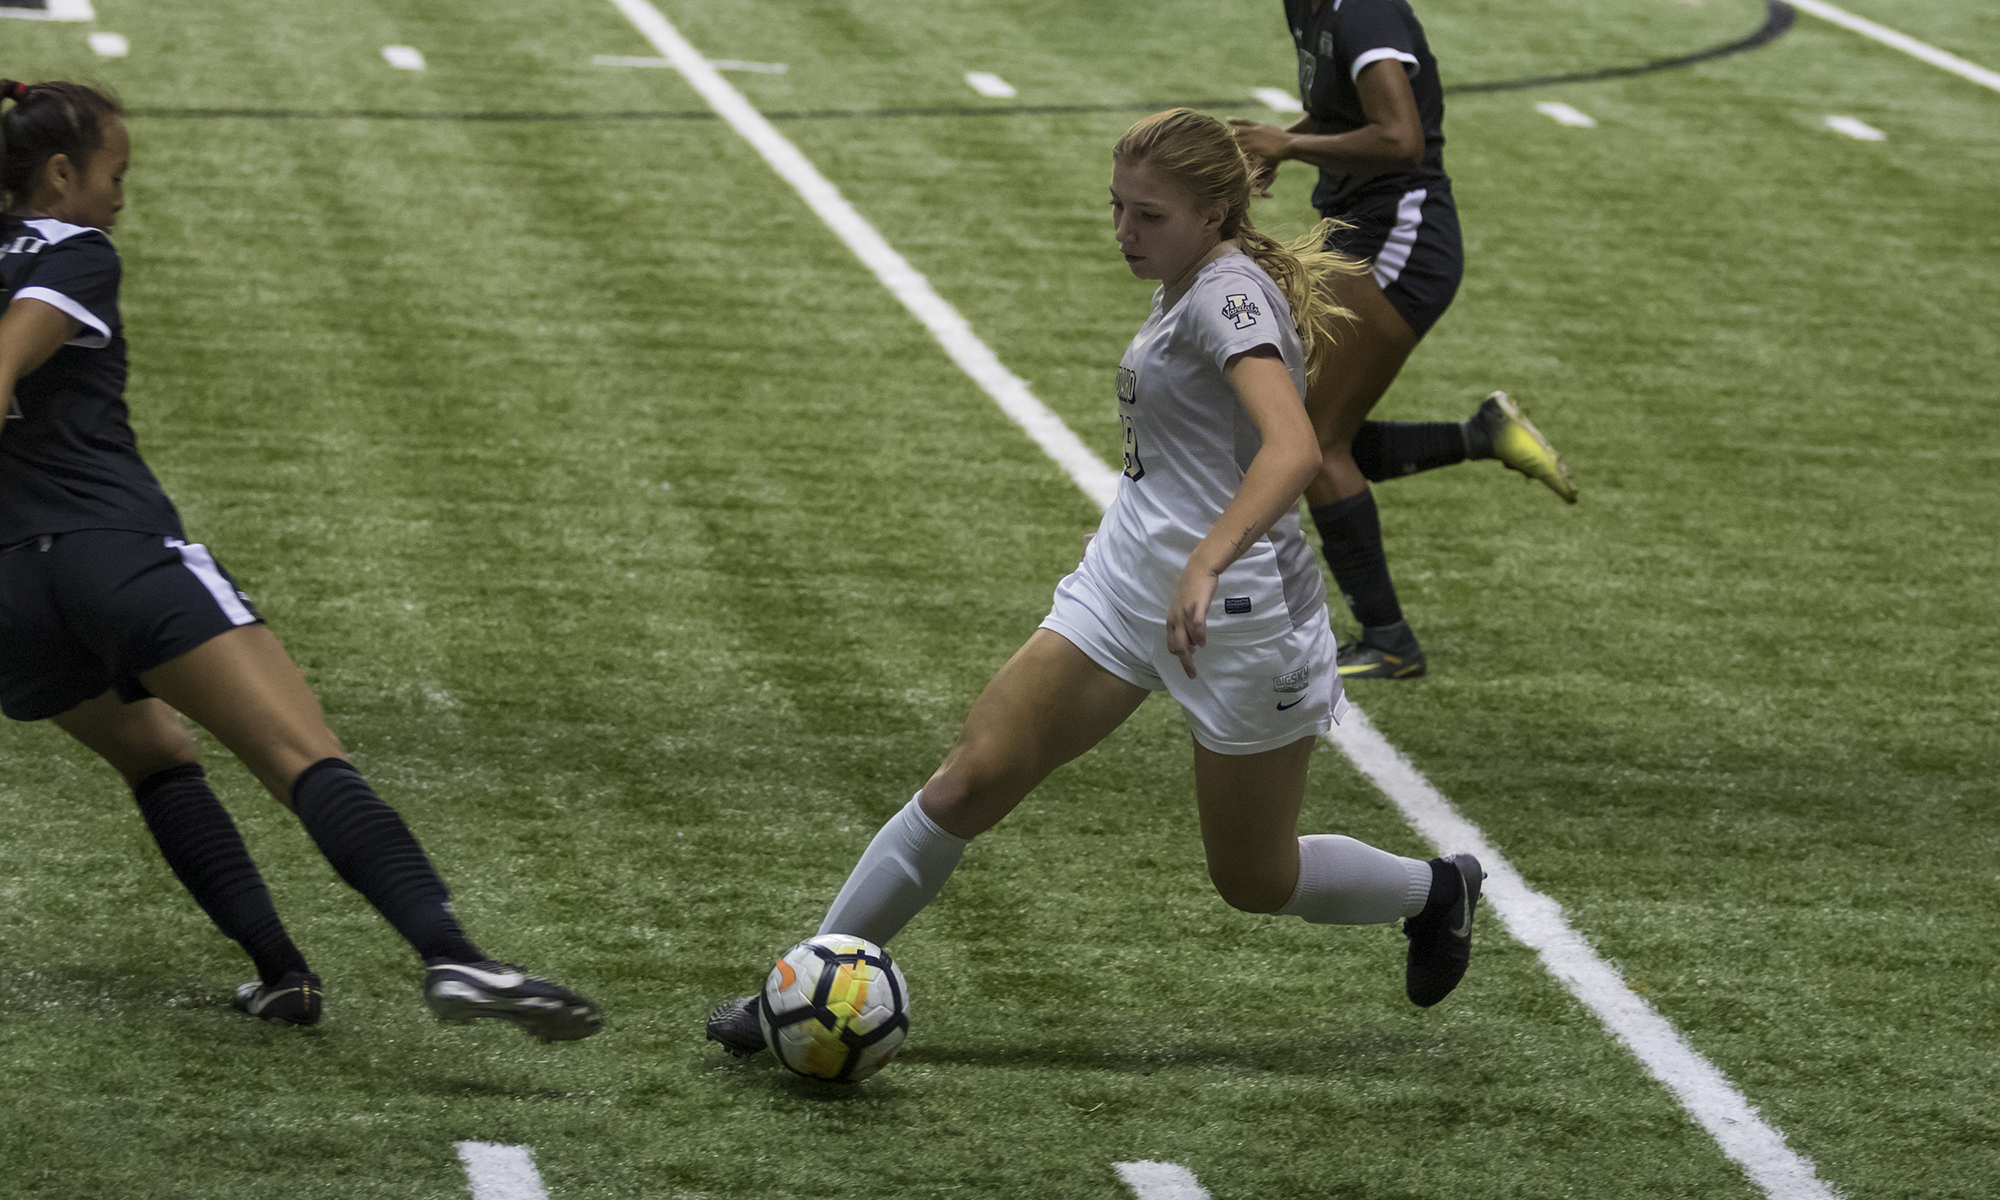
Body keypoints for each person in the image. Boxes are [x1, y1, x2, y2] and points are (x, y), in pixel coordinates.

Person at [706, 109, 1484, 1060]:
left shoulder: (1225, 296)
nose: (1123, 232)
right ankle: (810, 975)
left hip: (1240, 623)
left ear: (1214, 213)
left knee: (1253, 879)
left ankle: (1434, 891)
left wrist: (1202, 559)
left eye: (1147, 216)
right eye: (1116, 208)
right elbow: (1192, 447)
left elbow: (1291, 448)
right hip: (1127, 591)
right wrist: (1143, 527)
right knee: (966, 784)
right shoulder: (1187, 276)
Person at [0, 79, 599, 1039]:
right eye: (115, 173)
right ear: (61, 173)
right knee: (299, 752)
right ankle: (455, 956)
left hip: (13, 592)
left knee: (154, 755)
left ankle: (282, 973)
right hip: (114, 550)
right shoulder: (73, 249)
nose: (121, 196)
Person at [1228, 0, 1577, 680]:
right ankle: (1481, 437)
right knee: (1316, 436)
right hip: (1363, 228)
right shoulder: (1309, 6)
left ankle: (1388, 640)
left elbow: (1400, 137)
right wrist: (1284, 143)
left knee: (1311, 444)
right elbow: (1344, 112)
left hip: (1401, 237)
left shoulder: (1361, 12)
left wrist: (1290, 146)